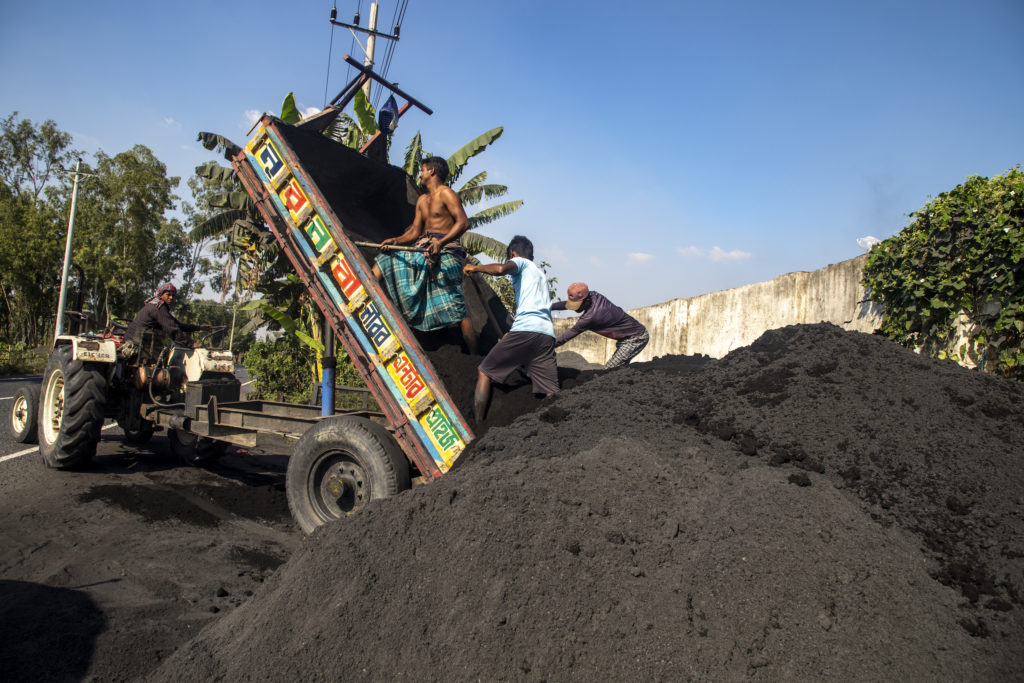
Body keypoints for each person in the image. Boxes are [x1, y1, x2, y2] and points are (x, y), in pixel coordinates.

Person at [374, 156, 478, 354]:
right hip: (424, 250)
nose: (420, 174)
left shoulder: (446, 194)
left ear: (432, 171)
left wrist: (441, 242)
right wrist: (395, 241)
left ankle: (474, 356)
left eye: (422, 170)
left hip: (447, 253)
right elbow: (414, 232)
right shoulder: (422, 200)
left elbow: (463, 223)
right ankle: (367, 292)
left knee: (457, 308)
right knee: (386, 259)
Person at [463, 235, 558, 422]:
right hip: (546, 334)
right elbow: (532, 307)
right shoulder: (539, 274)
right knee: (551, 391)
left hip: (527, 330)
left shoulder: (520, 262)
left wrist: (475, 267)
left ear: (513, 253)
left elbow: (499, 269)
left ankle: (478, 425)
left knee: (484, 370)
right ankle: (557, 429)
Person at [552, 282, 649, 369]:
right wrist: (547, 307)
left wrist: (549, 346)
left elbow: (568, 335)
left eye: (577, 305)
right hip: (627, 336)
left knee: (608, 370)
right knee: (620, 369)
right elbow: (566, 305)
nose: (575, 309)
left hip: (635, 338)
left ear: (586, 300)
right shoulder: (593, 295)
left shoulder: (591, 316)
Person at [121, 283, 209, 356]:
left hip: (135, 342)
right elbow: (172, 329)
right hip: (135, 345)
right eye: (168, 295)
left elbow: (176, 324)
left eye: (173, 295)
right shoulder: (158, 307)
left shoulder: (155, 304)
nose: (171, 297)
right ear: (161, 294)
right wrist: (190, 344)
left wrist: (199, 328)